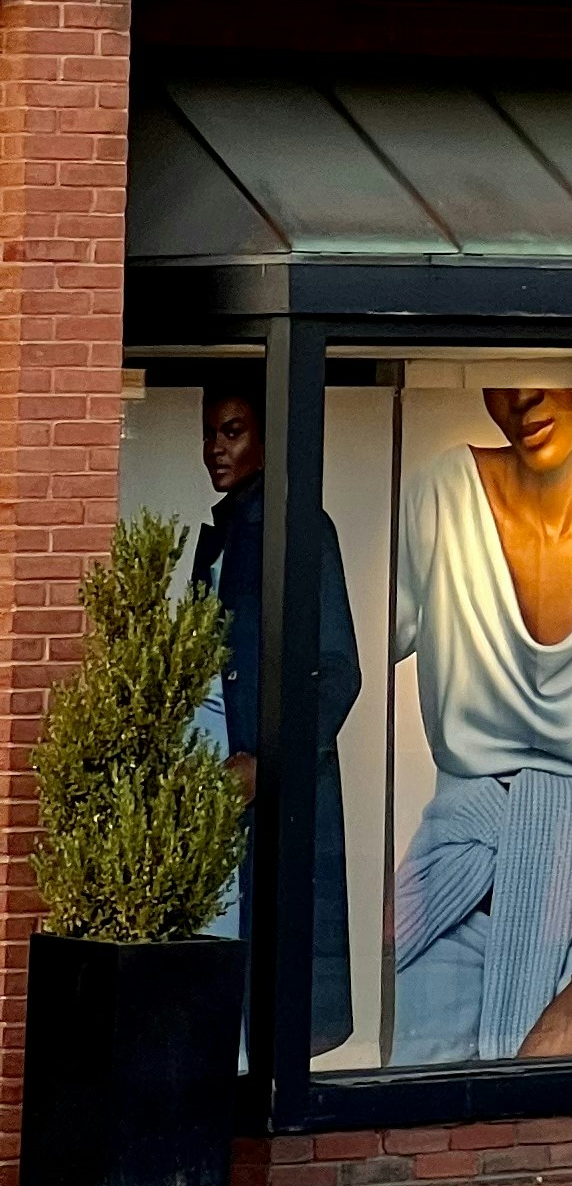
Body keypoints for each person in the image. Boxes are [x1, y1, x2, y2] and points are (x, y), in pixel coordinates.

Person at [391, 382, 572, 1065]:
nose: (524, 395)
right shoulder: (441, 497)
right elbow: (334, 668)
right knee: (416, 1137)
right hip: (451, 887)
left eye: (553, 367)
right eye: (504, 372)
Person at [191, 380, 362, 1054]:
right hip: (216, 777)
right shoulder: (221, 534)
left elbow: (339, 669)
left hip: (278, 787)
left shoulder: (300, 527)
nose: (215, 448)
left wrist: (273, 763)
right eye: (210, 433)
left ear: (265, 438)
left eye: (231, 431)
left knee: (282, 967)